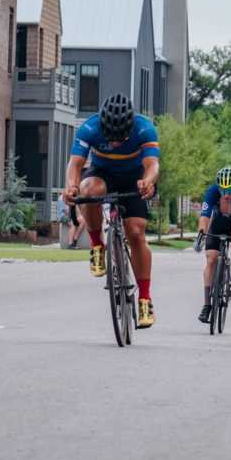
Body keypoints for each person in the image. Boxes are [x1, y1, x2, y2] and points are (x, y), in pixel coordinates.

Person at [64, 94, 161, 328]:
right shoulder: (89, 128)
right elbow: (75, 164)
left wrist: (148, 181)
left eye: (121, 137)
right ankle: (97, 244)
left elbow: (152, 165)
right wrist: (71, 187)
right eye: (111, 137)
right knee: (88, 190)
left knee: (136, 233)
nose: (116, 143)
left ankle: (145, 298)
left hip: (133, 178)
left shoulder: (144, 128)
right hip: (102, 173)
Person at [196, 166, 231, 323]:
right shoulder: (212, 192)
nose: (226, 195)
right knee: (211, 260)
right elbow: (205, 216)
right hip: (218, 225)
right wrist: (201, 234)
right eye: (222, 190)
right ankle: (207, 305)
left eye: (230, 191)